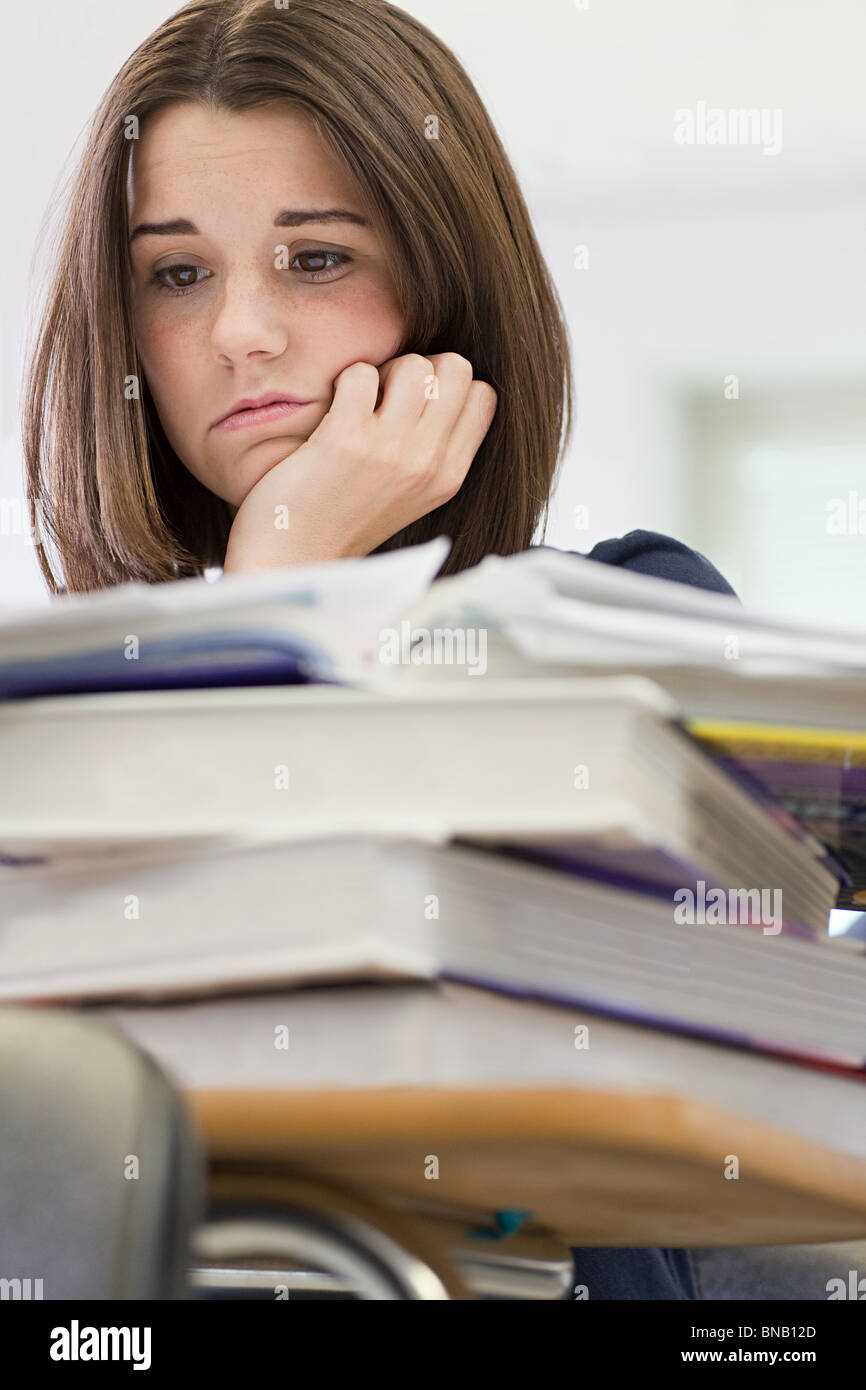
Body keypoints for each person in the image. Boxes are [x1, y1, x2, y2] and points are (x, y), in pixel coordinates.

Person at [22, 0, 741, 1299]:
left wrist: (291, 571)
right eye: (176, 274)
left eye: (314, 258)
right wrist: (273, 574)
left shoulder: (630, 622)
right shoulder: (61, 711)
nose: (241, 329)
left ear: (445, 283)